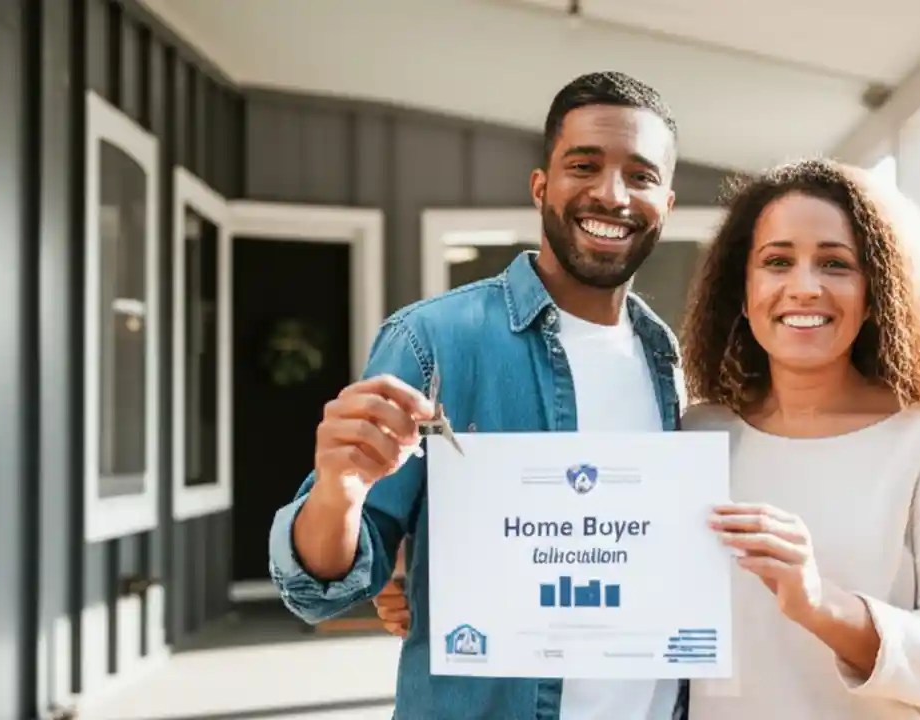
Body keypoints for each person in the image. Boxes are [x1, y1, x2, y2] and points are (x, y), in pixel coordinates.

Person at [267, 70, 688, 720]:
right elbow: (321, 588)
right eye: (584, 166)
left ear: (667, 203)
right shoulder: (433, 341)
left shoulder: (670, 362)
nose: (612, 194)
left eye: (640, 175)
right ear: (541, 186)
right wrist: (338, 491)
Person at [679, 158, 920, 719]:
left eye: (835, 264)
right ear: (743, 290)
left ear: (873, 294)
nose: (803, 288)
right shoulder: (699, 435)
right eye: (777, 262)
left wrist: (820, 602)